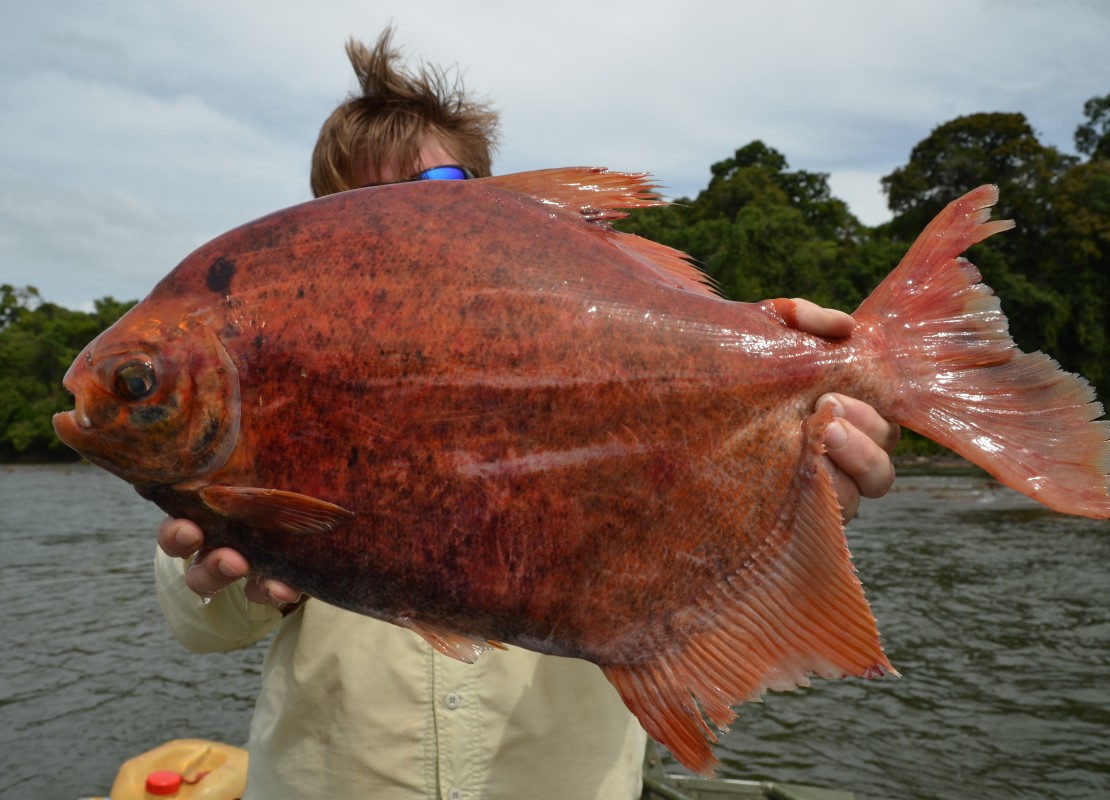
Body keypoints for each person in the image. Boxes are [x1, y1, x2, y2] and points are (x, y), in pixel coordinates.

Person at [155, 27, 900, 800]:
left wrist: (797, 474)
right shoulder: (265, 384)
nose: (395, 225)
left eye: (431, 190)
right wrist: (217, 575)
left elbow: (693, 525)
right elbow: (197, 623)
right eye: (356, 208)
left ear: (491, 205)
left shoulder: (586, 329)